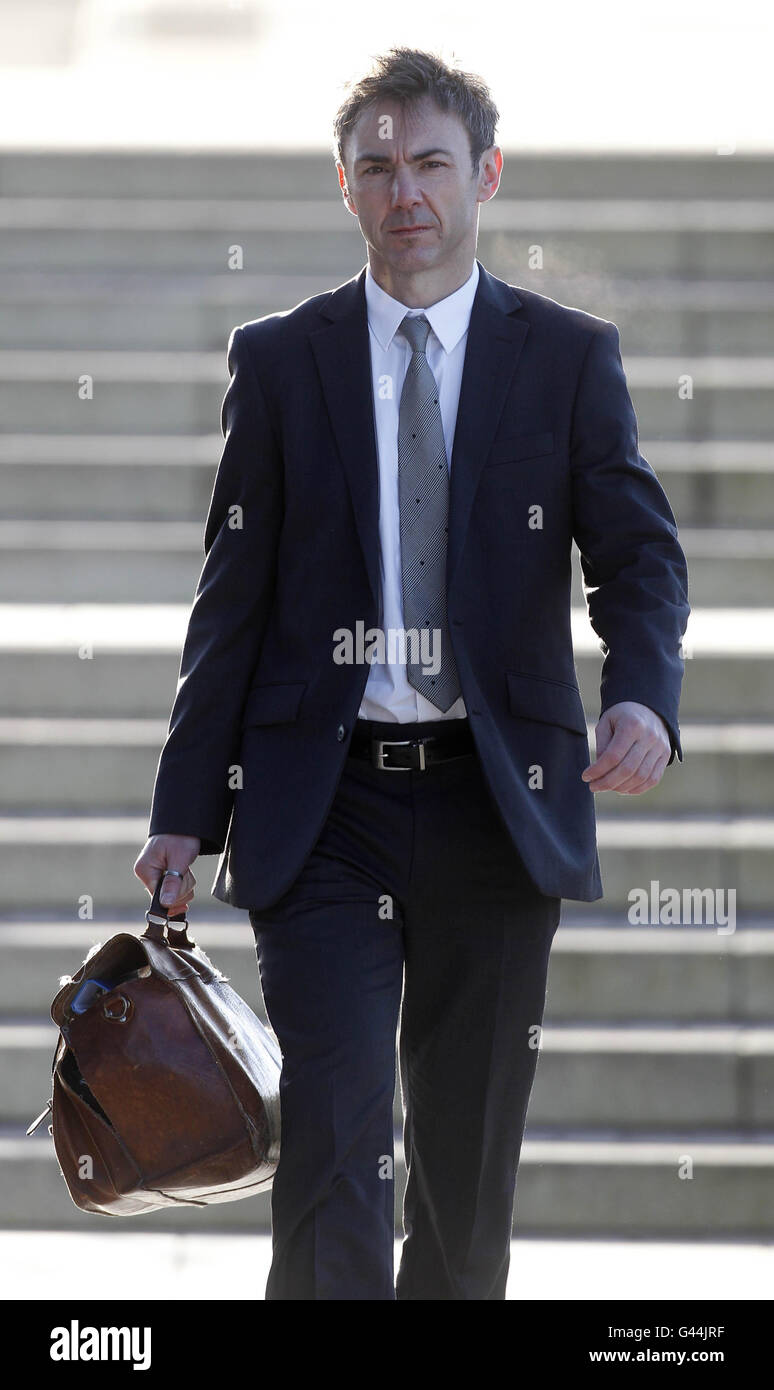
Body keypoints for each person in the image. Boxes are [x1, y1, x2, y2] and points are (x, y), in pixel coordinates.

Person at [134, 46, 690, 1300]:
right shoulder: (282, 362)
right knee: (332, 1139)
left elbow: (639, 556)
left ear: (485, 173)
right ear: (345, 186)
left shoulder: (566, 356)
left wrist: (643, 692)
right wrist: (185, 809)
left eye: (432, 162)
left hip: (498, 804)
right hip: (325, 808)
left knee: (464, 1166)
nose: (407, 192)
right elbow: (233, 599)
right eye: (377, 166)